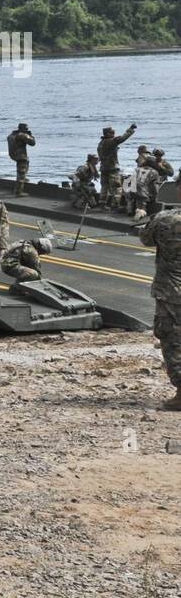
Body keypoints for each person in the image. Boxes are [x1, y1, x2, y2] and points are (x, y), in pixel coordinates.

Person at [142, 207, 181, 411]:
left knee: (173, 339)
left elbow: (146, 239)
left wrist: (145, 219)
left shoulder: (165, 218)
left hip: (172, 292)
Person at [97, 122, 137, 212]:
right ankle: (115, 206)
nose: (113, 134)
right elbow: (123, 138)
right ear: (107, 134)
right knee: (116, 187)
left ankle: (102, 204)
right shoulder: (111, 141)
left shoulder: (101, 143)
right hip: (112, 168)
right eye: (112, 133)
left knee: (104, 187)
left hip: (103, 168)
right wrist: (130, 130)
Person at [6, 122, 36, 197]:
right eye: (26, 128)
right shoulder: (22, 135)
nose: (27, 129)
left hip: (14, 155)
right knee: (21, 174)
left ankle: (22, 182)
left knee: (24, 167)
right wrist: (30, 135)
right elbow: (32, 143)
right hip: (21, 156)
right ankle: (18, 192)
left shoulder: (12, 135)